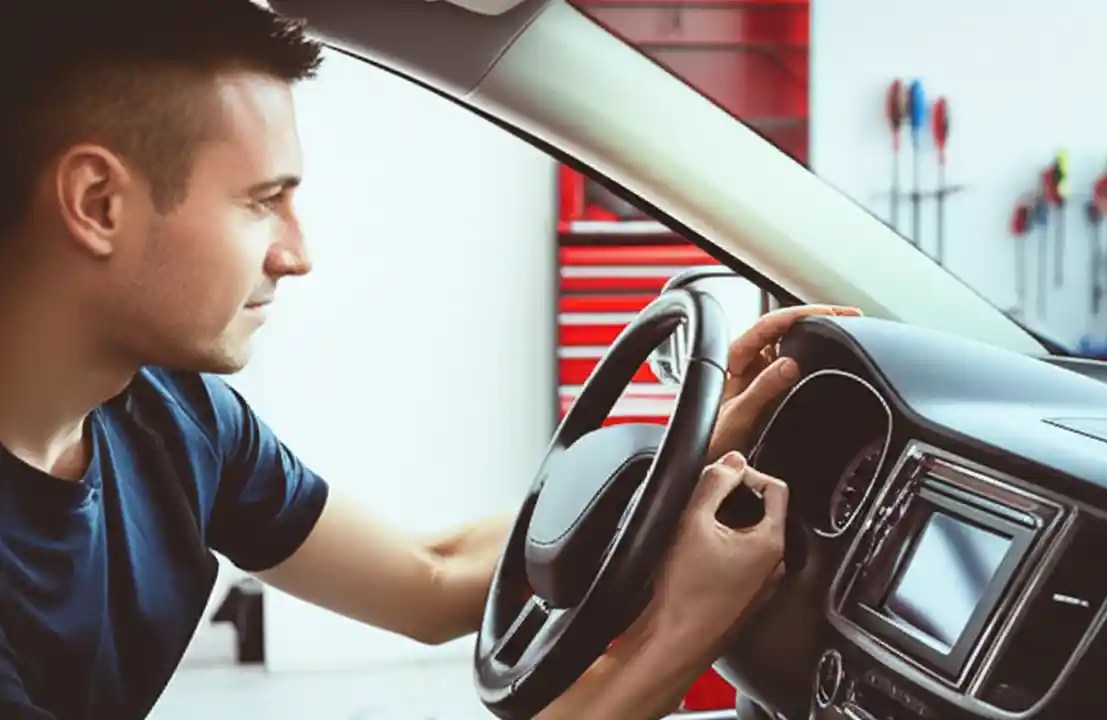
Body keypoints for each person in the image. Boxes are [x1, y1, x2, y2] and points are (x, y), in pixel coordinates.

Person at [0, 2, 861, 719]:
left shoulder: (171, 414)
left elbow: (431, 577)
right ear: (98, 203)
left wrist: (704, 442)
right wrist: (680, 631)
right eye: (264, 203)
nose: (297, 255)